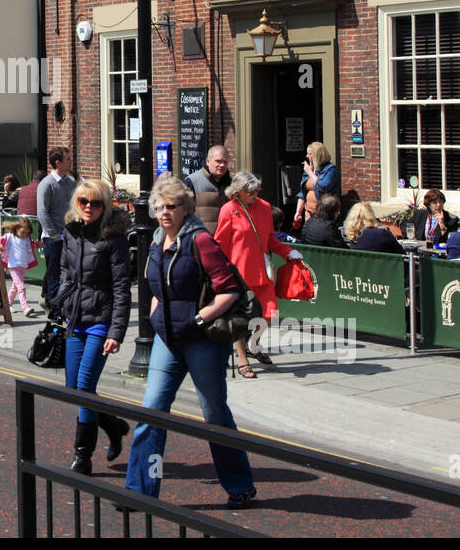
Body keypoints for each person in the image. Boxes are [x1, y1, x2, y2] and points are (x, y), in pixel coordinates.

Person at [125, 175, 256, 509]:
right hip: (167, 340)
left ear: (185, 208)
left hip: (203, 342)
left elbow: (229, 291)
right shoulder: (156, 241)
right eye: (159, 206)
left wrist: (200, 319)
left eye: (172, 206)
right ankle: (140, 490)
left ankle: (239, 485)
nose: (165, 212)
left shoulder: (200, 241)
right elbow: (156, 289)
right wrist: (157, 319)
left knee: (215, 416)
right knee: (152, 413)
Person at [56, 179, 131, 474]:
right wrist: (61, 302)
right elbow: (65, 270)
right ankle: (113, 426)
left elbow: (122, 287)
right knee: (74, 388)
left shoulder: (114, 238)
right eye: (84, 202)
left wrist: (116, 332)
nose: (89, 208)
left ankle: (82, 456)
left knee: (85, 388)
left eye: (96, 203)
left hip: (101, 321)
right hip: (75, 319)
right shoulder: (71, 232)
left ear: (105, 206)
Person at [214, 170, 302, 377]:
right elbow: (220, 244)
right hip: (239, 272)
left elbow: (270, 239)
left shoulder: (263, 208)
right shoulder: (229, 210)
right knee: (239, 318)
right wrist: (220, 271)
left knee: (270, 312)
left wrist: (288, 252)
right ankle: (242, 359)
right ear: (238, 192)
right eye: (251, 192)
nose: (255, 195)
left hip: (262, 270)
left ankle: (254, 344)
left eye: (256, 191)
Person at [37, 147, 76, 316]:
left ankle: (56, 304)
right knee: (54, 275)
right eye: (67, 159)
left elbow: (74, 207)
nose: (70, 161)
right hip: (53, 238)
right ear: (58, 162)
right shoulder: (46, 184)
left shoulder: (71, 182)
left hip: (69, 235)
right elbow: (42, 212)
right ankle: (54, 312)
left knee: (68, 275)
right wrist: (54, 235)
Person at [185, 145, 232, 232]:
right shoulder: (192, 182)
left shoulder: (232, 184)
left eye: (225, 162)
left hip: (226, 239)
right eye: (218, 161)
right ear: (208, 161)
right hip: (202, 239)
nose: (221, 165)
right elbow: (183, 213)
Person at [0, 218, 38, 317]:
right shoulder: (10, 236)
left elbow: (33, 244)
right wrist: (0, 245)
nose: (24, 235)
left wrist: (40, 244)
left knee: (15, 287)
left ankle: (8, 304)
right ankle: (25, 307)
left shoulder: (27, 239)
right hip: (13, 266)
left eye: (26, 233)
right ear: (16, 229)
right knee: (21, 287)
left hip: (23, 265)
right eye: (22, 232)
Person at [294, 141, 338, 228]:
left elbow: (324, 186)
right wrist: (298, 211)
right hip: (308, 212)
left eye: (309, 154)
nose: (307, 156)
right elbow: (303, 192)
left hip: (323, 214)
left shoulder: (330, 169)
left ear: (318, 156)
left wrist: (310, 172)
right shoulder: (310, 169)